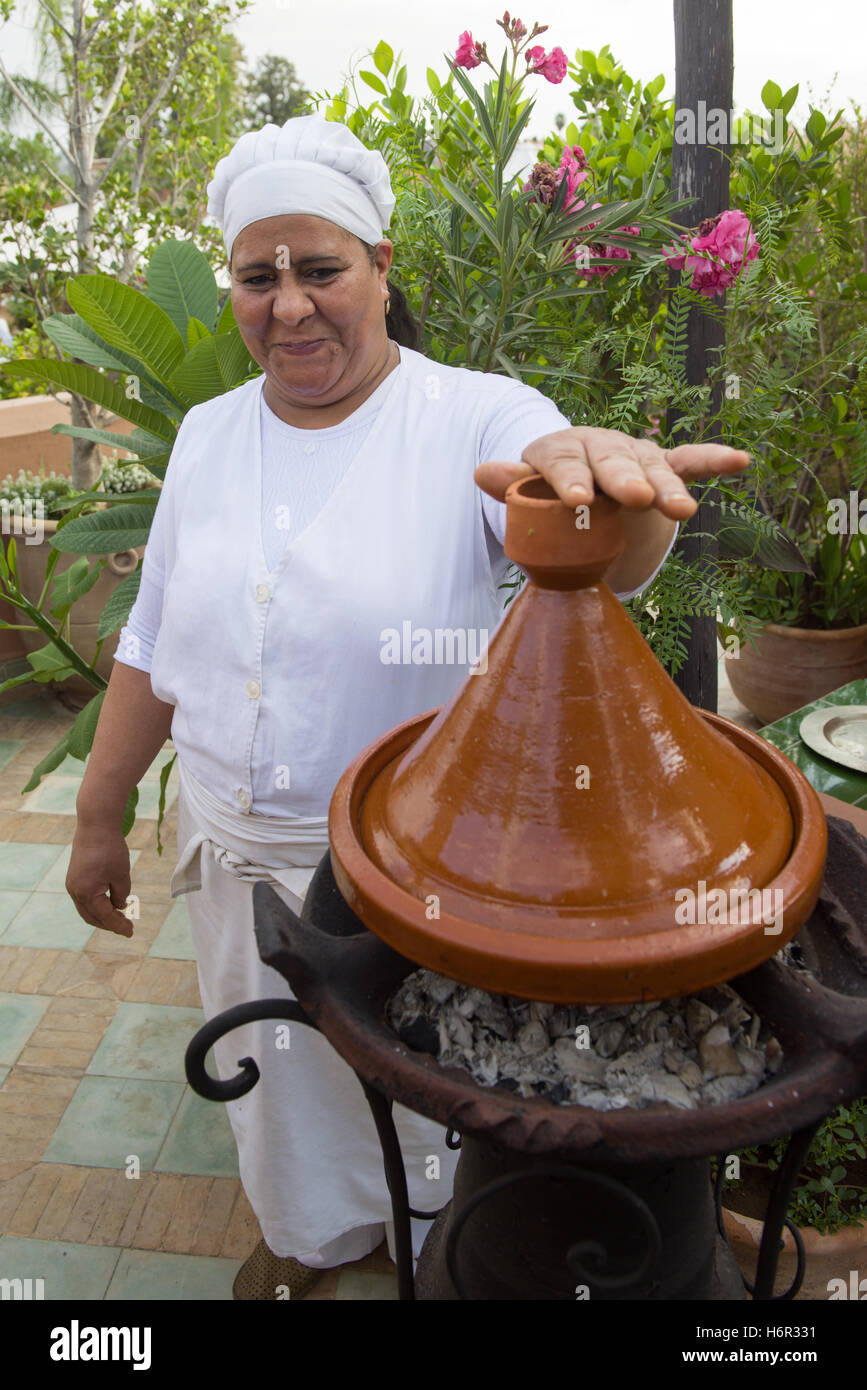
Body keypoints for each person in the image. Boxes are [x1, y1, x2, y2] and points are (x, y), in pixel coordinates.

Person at [65, 114, 749, 1300]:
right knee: (279, 1083)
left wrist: (607, 487)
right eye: (258, 275)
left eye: (321, 269)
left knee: (423, 1094)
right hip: (236, 858)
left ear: (383, 269)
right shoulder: (210, 437)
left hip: (408, 874)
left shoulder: (468, 415)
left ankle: (437, 1259)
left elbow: (566, 502)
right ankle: (315, 1246)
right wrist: (98, 804)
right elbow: (155, 632)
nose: (289, 305)